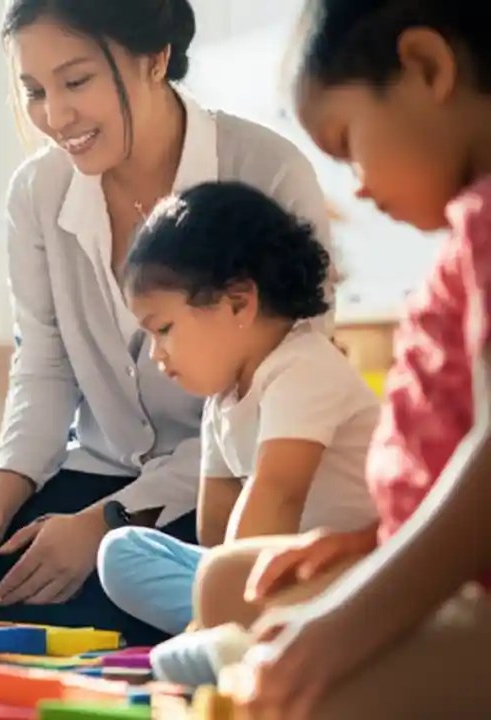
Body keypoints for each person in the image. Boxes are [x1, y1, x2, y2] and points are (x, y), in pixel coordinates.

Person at [0, 0, 337, 645]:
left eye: (77, 81)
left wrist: (108, 519)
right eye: (34, 90)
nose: (55, 117)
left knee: (127, 592)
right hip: (103, 459)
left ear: (154, 59)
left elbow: (279, 391)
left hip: (232, 473)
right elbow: (44, 362)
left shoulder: (267, 172)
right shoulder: (37, 192)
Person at [184, 1, 491, 716]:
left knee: (313, 693)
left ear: (425, 68)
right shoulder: (463, 241)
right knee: (229, 583)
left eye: (348, 142)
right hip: (458, 573)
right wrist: (370, 540)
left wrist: (347, 624)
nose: (355, 183)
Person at [94, 181, 379, 635]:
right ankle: (230, 636)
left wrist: (224, 595)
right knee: (122, 551)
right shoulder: (223, 399)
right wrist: (220, 592)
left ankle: (224, 637)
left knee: (221, 586)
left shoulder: (302, 367)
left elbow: (278, 494)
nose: (155, 354)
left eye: (163, 329)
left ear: (238, 303)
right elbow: (215, 533)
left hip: (347, 576)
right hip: (270, 576)